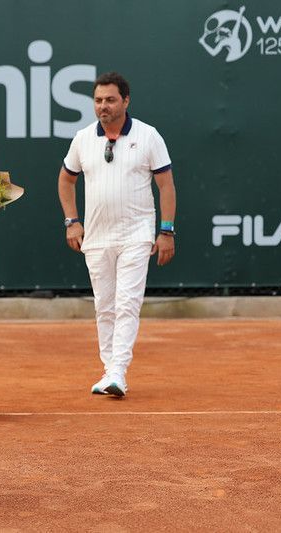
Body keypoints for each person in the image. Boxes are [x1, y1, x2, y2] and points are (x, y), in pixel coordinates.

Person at [57, 71, 176, 398]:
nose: (103, 106)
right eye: (98, 100)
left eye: (110, 100)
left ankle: (118, 371)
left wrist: (166, 231)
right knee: (104, 306)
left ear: (125, 101)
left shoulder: (148, 136)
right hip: (96, 238)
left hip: (137, 235)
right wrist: (72, 221)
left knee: (127, 303)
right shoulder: (83, 138)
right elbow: (66, 180)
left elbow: (165, 185)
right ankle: (110, 370)